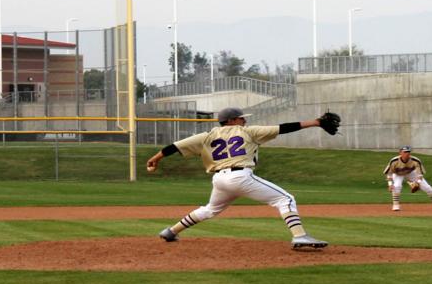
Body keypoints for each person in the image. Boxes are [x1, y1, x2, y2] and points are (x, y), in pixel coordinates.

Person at [146, 107, 342, 250]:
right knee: (285, 199)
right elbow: (284, 128)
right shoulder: (248, 132)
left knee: (209, 209)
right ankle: (300, 237)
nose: (244, 121)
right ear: (231, 121)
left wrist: (155, 159)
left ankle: (171, 232)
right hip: (240, 176)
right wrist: (315, 122)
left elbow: (174, 146)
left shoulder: (207, 136)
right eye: (240, 118)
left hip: (220, 179)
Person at [383, 146, 432, 211]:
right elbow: (389, 173)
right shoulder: (394, 161)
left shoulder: (415, 160)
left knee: (427, 188)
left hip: (410, 173)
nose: (407, 154)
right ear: (400, 153)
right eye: (405, 152)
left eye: (408, 152)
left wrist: (418, 183)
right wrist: (390, 184)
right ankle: (396, 205)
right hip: (398, 174)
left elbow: (420, 174)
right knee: (397, 186)